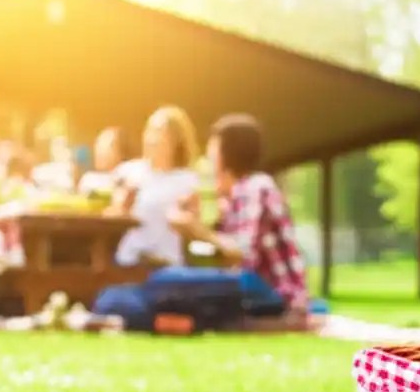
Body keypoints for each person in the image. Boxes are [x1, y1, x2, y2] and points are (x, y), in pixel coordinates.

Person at [92, 113, 313, 331]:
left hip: (270, 289)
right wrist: (190, 233)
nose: (209, 155)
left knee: (163, 281)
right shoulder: (233, 196)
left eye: (214, 148)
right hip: (241, 285)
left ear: (228, 152)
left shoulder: (256, 187)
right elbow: (222, 256)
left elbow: (243, 253)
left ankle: (174, 321)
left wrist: (194, 229)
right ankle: (180, 324)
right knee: (113, 299)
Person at [112, 106, 202, 267]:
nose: (152, 139)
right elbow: (112, 215)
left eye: (160, 132)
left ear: (176, 141)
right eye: (149, 131)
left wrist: (186, 218)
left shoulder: (188, 181)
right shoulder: (128, 172)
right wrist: (124, 202)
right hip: (128, 260)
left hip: (166, 265)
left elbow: (194, 227)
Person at [78, 127, 131, 195]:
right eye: (98, 145)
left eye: (107, 147)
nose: (99, 152)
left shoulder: (129, 179)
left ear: (121, 152)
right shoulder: (88, 179)